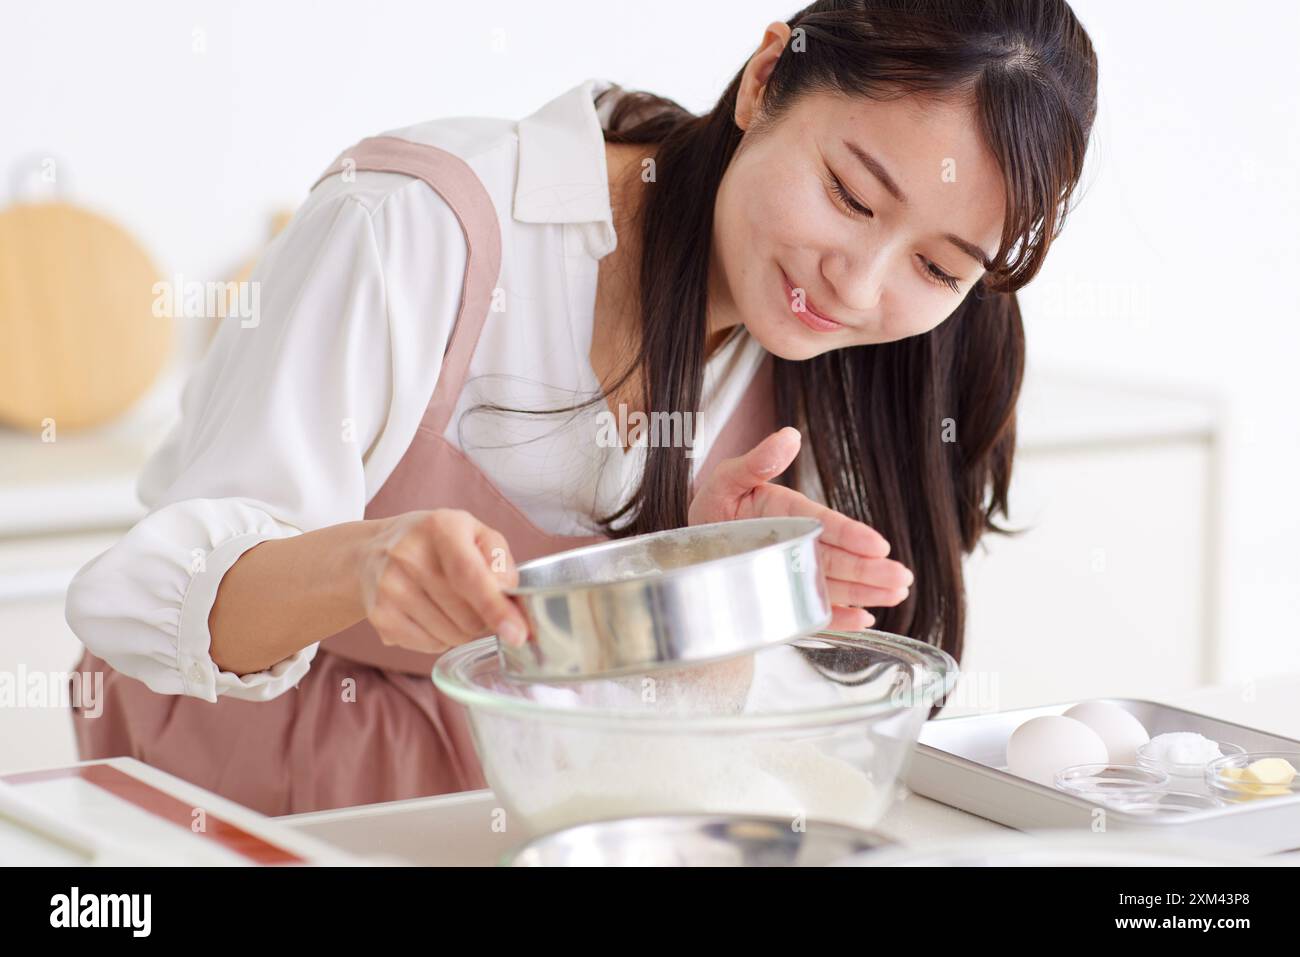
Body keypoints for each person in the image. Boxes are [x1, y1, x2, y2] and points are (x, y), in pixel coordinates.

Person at [64, 0, 1098, 815]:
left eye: (932, 263)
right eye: (849, 195)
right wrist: (366, 565)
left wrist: (701, 597)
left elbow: (692, 738)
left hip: (515, 810)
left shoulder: (846, 374)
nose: (859, 286)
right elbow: (136, 606)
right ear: (764, 76)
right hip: (228, 796)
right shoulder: (421, 228)